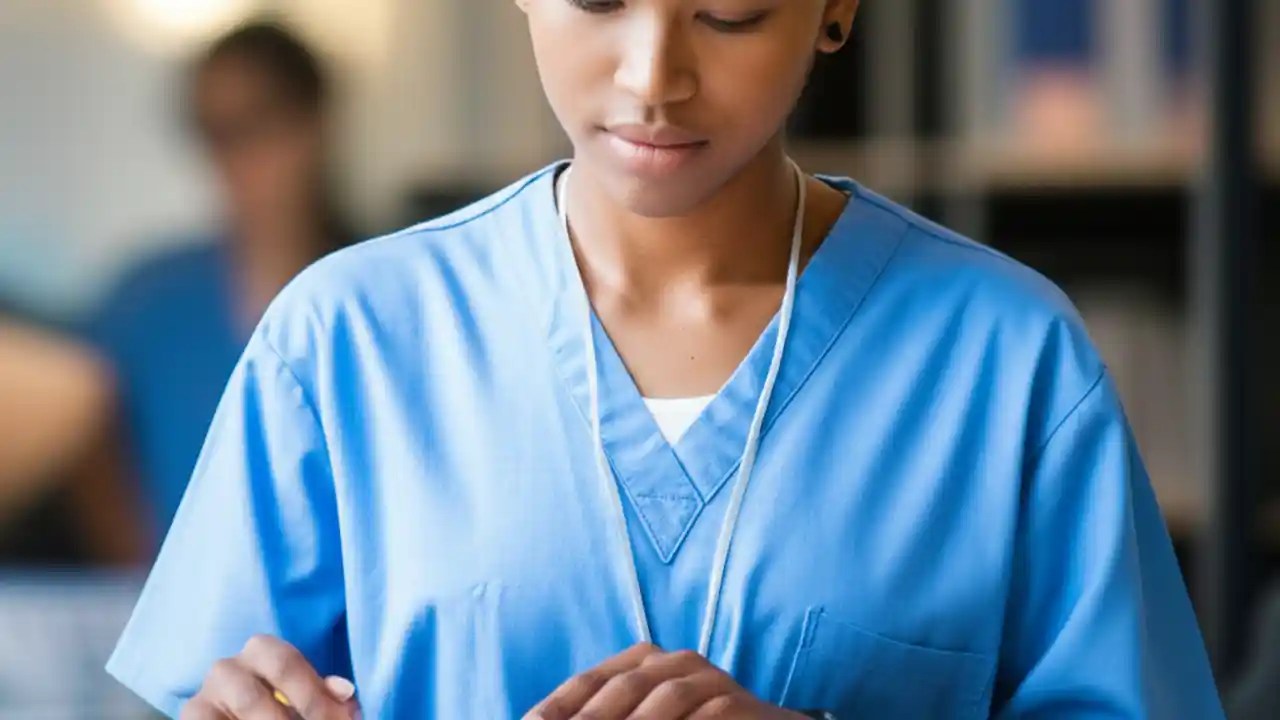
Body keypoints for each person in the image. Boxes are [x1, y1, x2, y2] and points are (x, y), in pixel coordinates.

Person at [107, 1, 1224, 717]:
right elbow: (211, 689)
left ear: (835, 8)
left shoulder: (1005, 362)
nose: (652, 76)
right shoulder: (346, 342)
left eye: (729, 11)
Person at [80, 21, 349, 560]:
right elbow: (72, 423)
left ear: (314, 123)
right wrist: (146, 581)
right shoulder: (148, 303)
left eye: (256, 125)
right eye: (214, 133)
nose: (236, 161)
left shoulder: (380, 294)